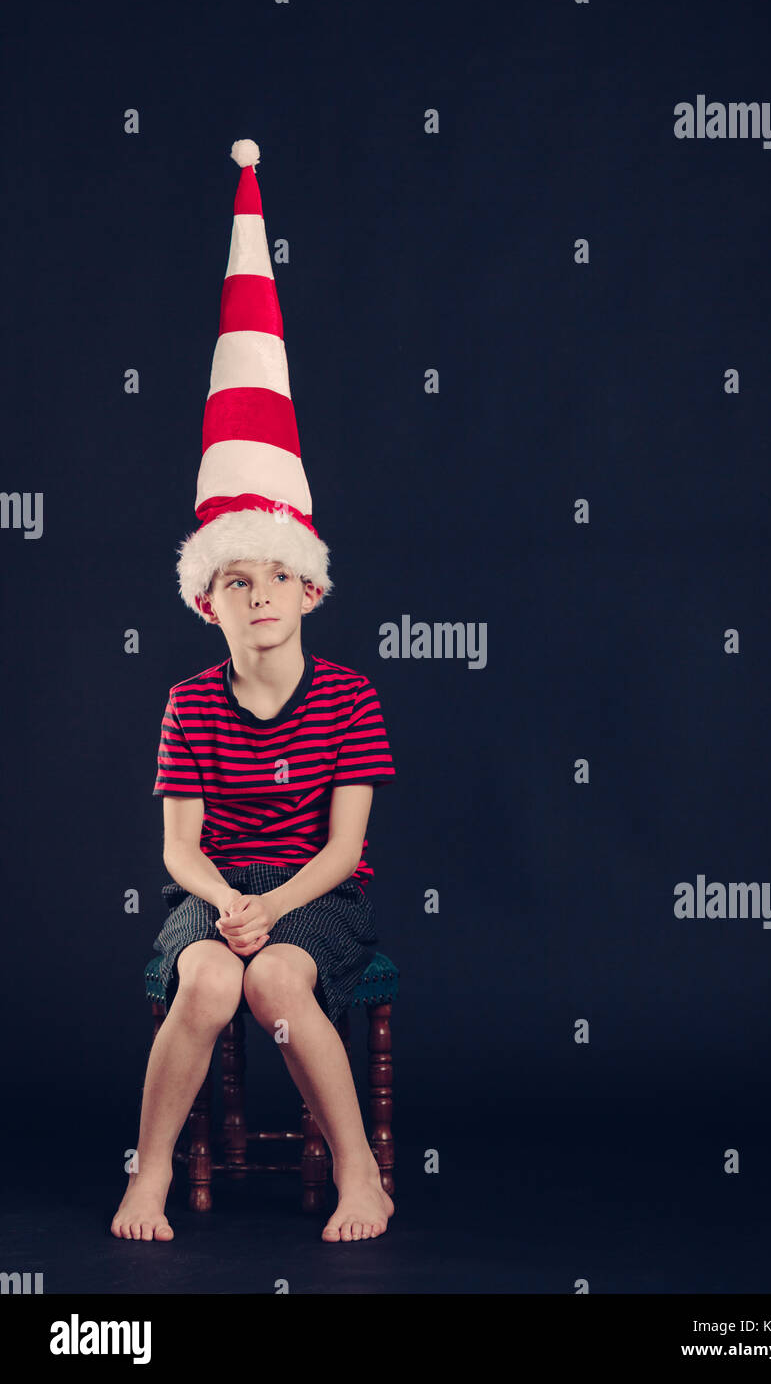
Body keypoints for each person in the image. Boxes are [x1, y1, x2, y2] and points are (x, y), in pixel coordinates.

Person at [110, 138, 396, 1244]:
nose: (260, 592)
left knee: (276, 977)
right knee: (210, 979)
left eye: (278, 573)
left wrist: (271, 908)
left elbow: (342, 846)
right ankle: (150, 1173)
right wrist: (222, 897)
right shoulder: (191, 702)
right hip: (217, 884)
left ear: (311, 589)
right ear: (208, 601)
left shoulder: (350, 697)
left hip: (313, 894)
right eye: (238, 577)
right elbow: (177, 846)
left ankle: (362, 1176)